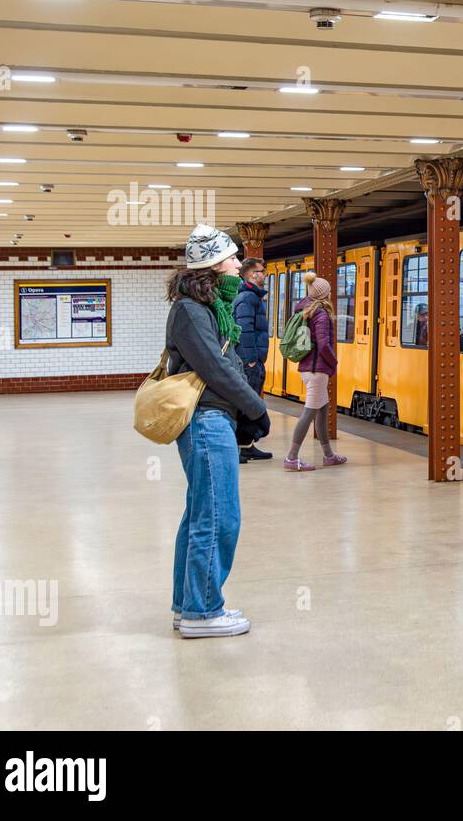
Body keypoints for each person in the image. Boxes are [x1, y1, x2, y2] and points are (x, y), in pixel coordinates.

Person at [164, 224, 269, 639]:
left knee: (199, 515)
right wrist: (256, 408)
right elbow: (216, 368)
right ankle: (203, 611)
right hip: (207, 422)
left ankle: (188, 603)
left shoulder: (208, 308)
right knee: (219, 515)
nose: (239, 265)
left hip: (214, 419)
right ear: (212, 266)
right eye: (232, 259)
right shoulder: (191, 311)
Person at [286, 271, 346, 470]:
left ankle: (329, 455)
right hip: (317, 370)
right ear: (324, 294)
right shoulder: (320, 313)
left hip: (308, 367)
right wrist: (334, 362)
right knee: (309, 413)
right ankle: (292, 458)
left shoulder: (305, 308)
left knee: (322, 411)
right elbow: (323, 344)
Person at [232, 257, 271, 462]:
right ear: (252, 275)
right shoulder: (247, 298)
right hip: (250, 362)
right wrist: (251, 359)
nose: (264, 274)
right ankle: (242, 446)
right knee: (249, 403)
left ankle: (247, 445)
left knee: (251, 401)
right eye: (262, 271)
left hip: (253, 359)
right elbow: (244, 328)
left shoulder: (251, 296)